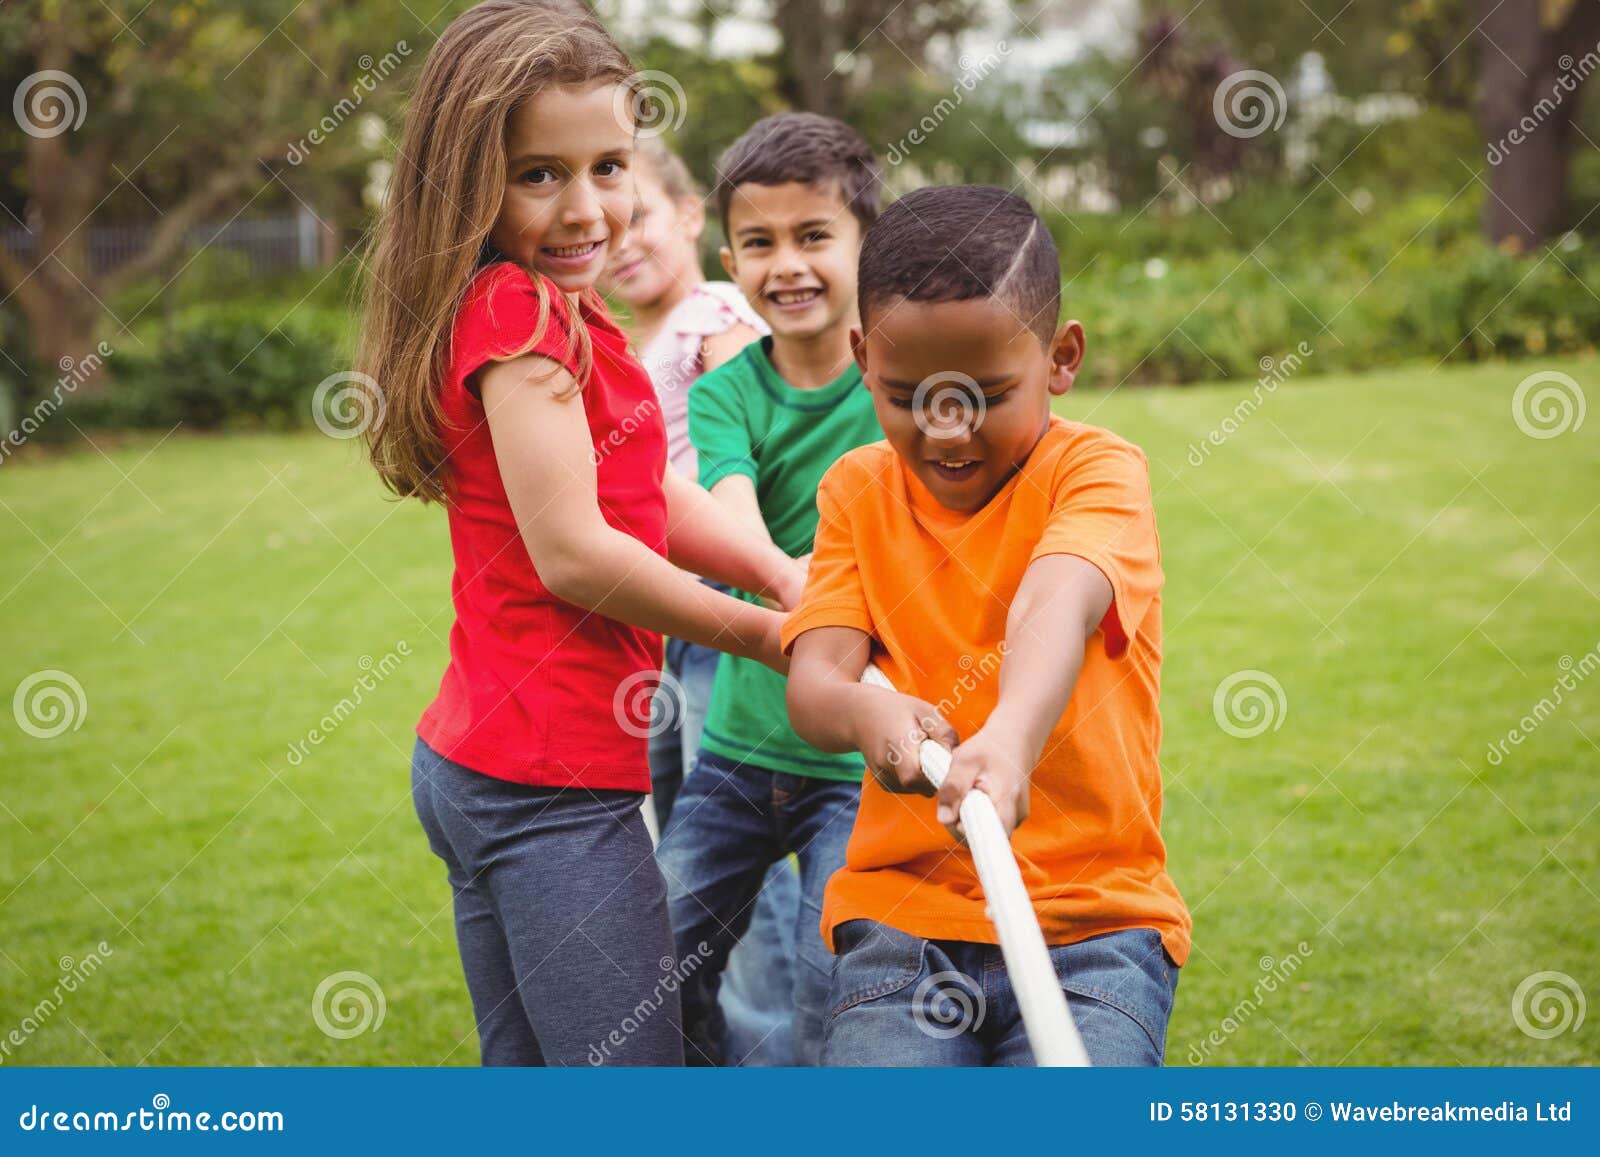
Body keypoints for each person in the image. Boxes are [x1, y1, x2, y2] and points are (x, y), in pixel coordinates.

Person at [354, 0, 802, 1067]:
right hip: (545, 784)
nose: (586, 207)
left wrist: (777, 570)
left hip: (486, 761)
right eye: (539, 174)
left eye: (608, 166)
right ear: (468, 180)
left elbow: (643, 498)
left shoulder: (564, 305)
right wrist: (767, 638)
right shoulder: (524, 319)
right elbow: (575, 553)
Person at [783, 184, 1191, 1066]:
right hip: (904, 923)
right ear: (861, 358)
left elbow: (1060, 597)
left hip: (1093, 926)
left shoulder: (1097, 471)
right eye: (907, 395)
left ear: (1062, 356)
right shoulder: (856, 490)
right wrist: (865, 715)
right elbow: (816, 682)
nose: (946, 430)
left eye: (986, 393)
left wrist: (1006, 741)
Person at [656, 112, 885, 1065]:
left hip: (858, 767)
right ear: (729, 260)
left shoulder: (895, 386)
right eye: (760, 243)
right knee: (656, 964)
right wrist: (788, 582)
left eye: (813, 236)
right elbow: (730, 500)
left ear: (866, 246)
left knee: (832, 987)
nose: (786, 264)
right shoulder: (725, 389)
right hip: (739, 749)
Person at [597, 137, 799, 1066]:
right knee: (687, 842)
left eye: (640, 216)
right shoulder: (640, 339)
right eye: (610, 229)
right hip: (673, 621)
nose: (622, 241)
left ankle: (776, 1048)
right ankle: (712, 1050)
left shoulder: (712, 314)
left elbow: (743, 438)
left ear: (688, 216)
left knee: (737, 838)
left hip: (722, 605)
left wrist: (759, 562)